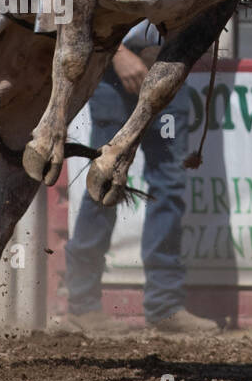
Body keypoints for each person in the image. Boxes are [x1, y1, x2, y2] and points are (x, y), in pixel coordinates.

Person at [60, 21, 219, 336]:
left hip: (169, 67)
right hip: (113, 71)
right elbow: (81, 2)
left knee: (169, 186)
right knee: (106, 183)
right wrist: (118, 53)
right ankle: (82, 305)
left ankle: (164, 307)